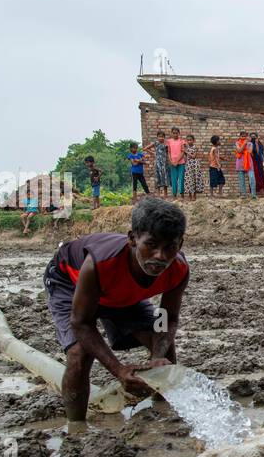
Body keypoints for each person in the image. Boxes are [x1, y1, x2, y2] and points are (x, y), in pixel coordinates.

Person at [42, 198, 189, 422]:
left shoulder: (178, 269)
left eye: (170, 247)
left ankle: (166, 416)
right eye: (151, 245)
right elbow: (82, 323)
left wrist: (157, 357)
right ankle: (76, 431)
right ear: (132, 239)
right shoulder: (100, 264)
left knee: (164, 348)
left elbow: (166, 318)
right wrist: (118, 369)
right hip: (69, 283)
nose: (160, 256)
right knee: (79, 354)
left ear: (180, 244)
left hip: (120, 293)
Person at [166, 127, 187, 198]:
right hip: (172, 163)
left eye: (176, 133)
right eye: (173, 133)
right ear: (171, 133)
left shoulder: (182, 141)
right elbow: (168, 152)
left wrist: (177, 161)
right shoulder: (169, 141)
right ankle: (174, 195)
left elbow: (183, 152)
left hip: (181, 162)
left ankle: (182, 195)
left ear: (179, 133)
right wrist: (171, 161)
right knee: (173, 179)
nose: (175, 134)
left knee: (181, 179)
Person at [235, 130, 256, 199]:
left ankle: (253, 195)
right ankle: (243, 194)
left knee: (252, 178)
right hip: (240, 162)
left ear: (247, 136)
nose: (243, 137)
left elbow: (250, 151)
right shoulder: (237, 143)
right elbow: (239, 151)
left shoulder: (250, 144)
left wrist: (244, 147)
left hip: (248, 163)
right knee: (241, 179)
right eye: (242, 136)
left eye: (244, 136)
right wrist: (244, 144)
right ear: (240, 136)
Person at [184, 134, 203, 203]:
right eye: (188, 140)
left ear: (193, 140)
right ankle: (189, 196)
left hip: (195, 165)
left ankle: (194, 195)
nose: (189, 141)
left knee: (195, 179)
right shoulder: (186, 148)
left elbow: (193, 156)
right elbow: (186, 157)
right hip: (188, 165)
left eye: (190, 140)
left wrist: (185, 151)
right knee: (189, 179)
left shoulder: (195, 147)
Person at [250, 132, 264, 197]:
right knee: (254, 176)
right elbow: (251, 153)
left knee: (260, 176)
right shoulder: (250, 144)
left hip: (259, 162)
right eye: (252, 137)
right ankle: (254, 192)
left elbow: (259, 153)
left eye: (254, 137)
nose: (253, 138)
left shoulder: (259, 144)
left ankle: (261, 191)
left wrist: (256, 144)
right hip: (252, 162)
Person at [153, 130, 170, 195]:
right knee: (158, 178)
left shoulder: (166, 145)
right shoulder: (156, 143)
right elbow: (146, 148)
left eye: (162, 137)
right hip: (157, 164)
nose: (161, 138)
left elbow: (169, 153)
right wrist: (154, 153)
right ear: (157, 137)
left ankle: (165, 194)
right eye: (159, 136)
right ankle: (158, 195)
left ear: (164, 137)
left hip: (164, 164)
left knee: (165, 178)